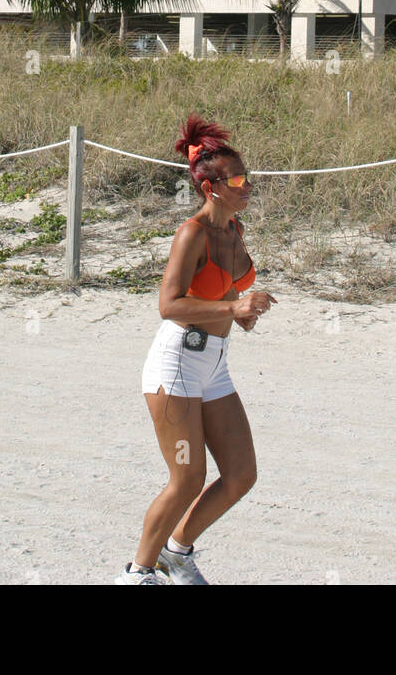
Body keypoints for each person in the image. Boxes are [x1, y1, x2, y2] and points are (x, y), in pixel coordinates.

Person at [115, 113, 277, 585]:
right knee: (186, 476)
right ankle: (138, 573)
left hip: (215, 364)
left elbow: (221, 296)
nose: (249, 185)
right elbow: (169, 304)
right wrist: (231, 310)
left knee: (240, 475)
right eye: (239, 179)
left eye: (248, 176)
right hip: (177, 362)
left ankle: (177, 552)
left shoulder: (236, 231)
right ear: (212, 188)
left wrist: (239, 314)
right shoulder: (193, 233)